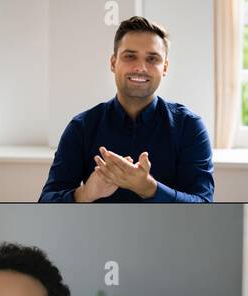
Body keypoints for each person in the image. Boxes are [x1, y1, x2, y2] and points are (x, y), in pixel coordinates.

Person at [39, 16, 213, 203]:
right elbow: (46, 202)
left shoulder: (189, 127)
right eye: (130, 56)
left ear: (165, 67)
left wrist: (149, 188)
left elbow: (203, 203)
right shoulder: (81, 127)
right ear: (113, 63)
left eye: (152, 58)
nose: (140, 67)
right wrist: (86, 193)